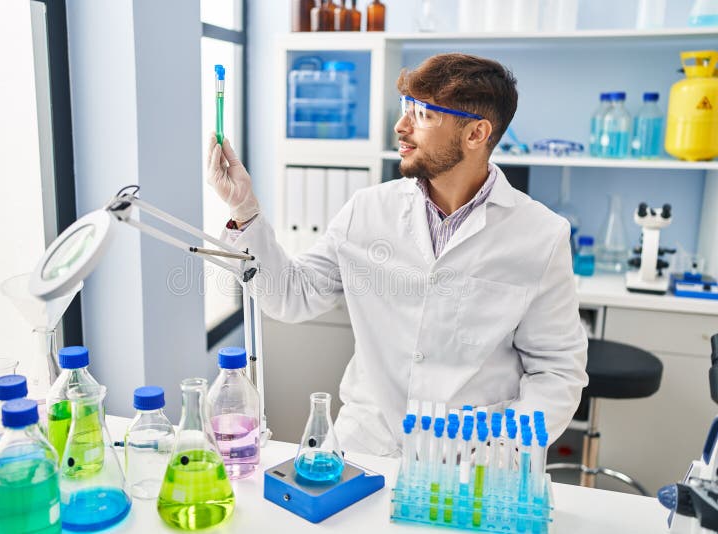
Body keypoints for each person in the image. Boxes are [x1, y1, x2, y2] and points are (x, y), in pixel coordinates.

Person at [206, 53, 588, 456]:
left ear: (476, 134)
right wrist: (244, 210)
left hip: (472, 458)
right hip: (366, 446)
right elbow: (291, 296)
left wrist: (502, 449)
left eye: (422, 114)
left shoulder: (540, 235)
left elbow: (557, 371)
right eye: (406, 108)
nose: (401, 126)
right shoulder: (367, 210)